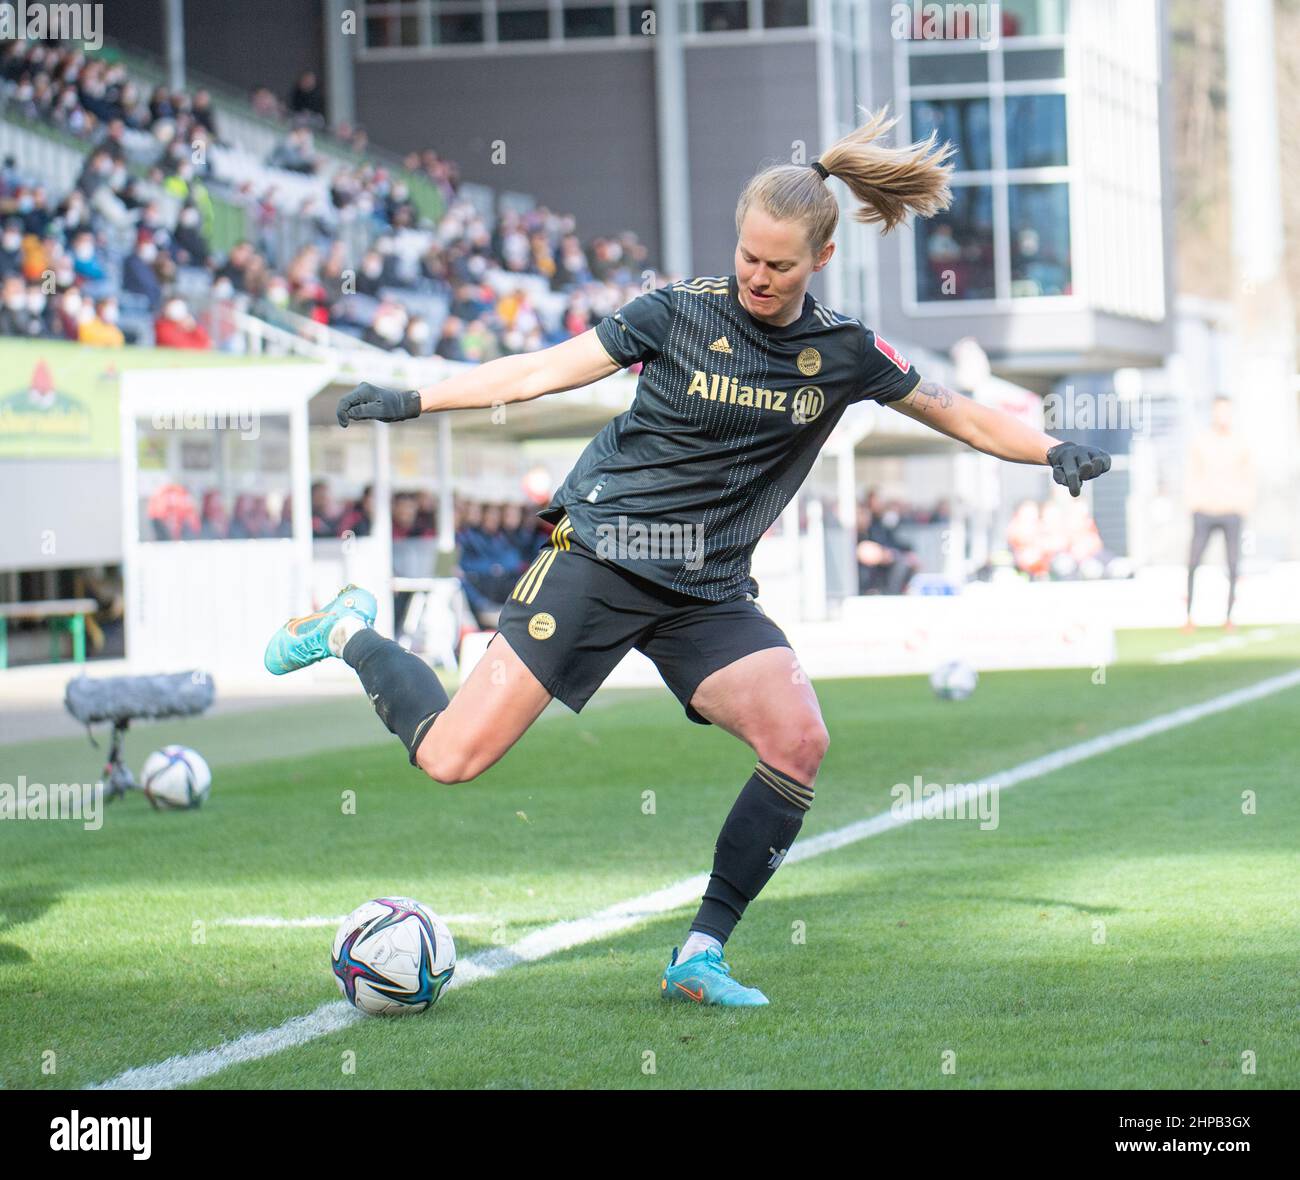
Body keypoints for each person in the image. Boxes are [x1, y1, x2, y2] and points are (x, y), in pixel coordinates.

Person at [263, 108, 1111, 1007]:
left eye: (779, 265)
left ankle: (699, 954)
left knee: (799, 740)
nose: (757, 275)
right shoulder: (673, 313)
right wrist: (413, 397)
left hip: (707, 592)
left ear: (820, 260)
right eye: (748, 255)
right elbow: (538, 371)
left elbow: (958, 411)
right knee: (450, 760)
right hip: (603, 557)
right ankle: (351, 631)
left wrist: (1048, 448)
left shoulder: (844, 352)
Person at [1184, 395, 1255, 631]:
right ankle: (1189, 616)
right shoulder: (1201, 441)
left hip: (1231, 510)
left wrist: (1244, 503)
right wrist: (1193, 501)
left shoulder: (1240, 442)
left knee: (1233, 563)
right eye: (1218, 411)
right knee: (1193, 562)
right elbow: (1192, 472)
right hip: (1204, 509)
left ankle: (1229, 617)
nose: (1222, 416)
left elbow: (1249, 476)